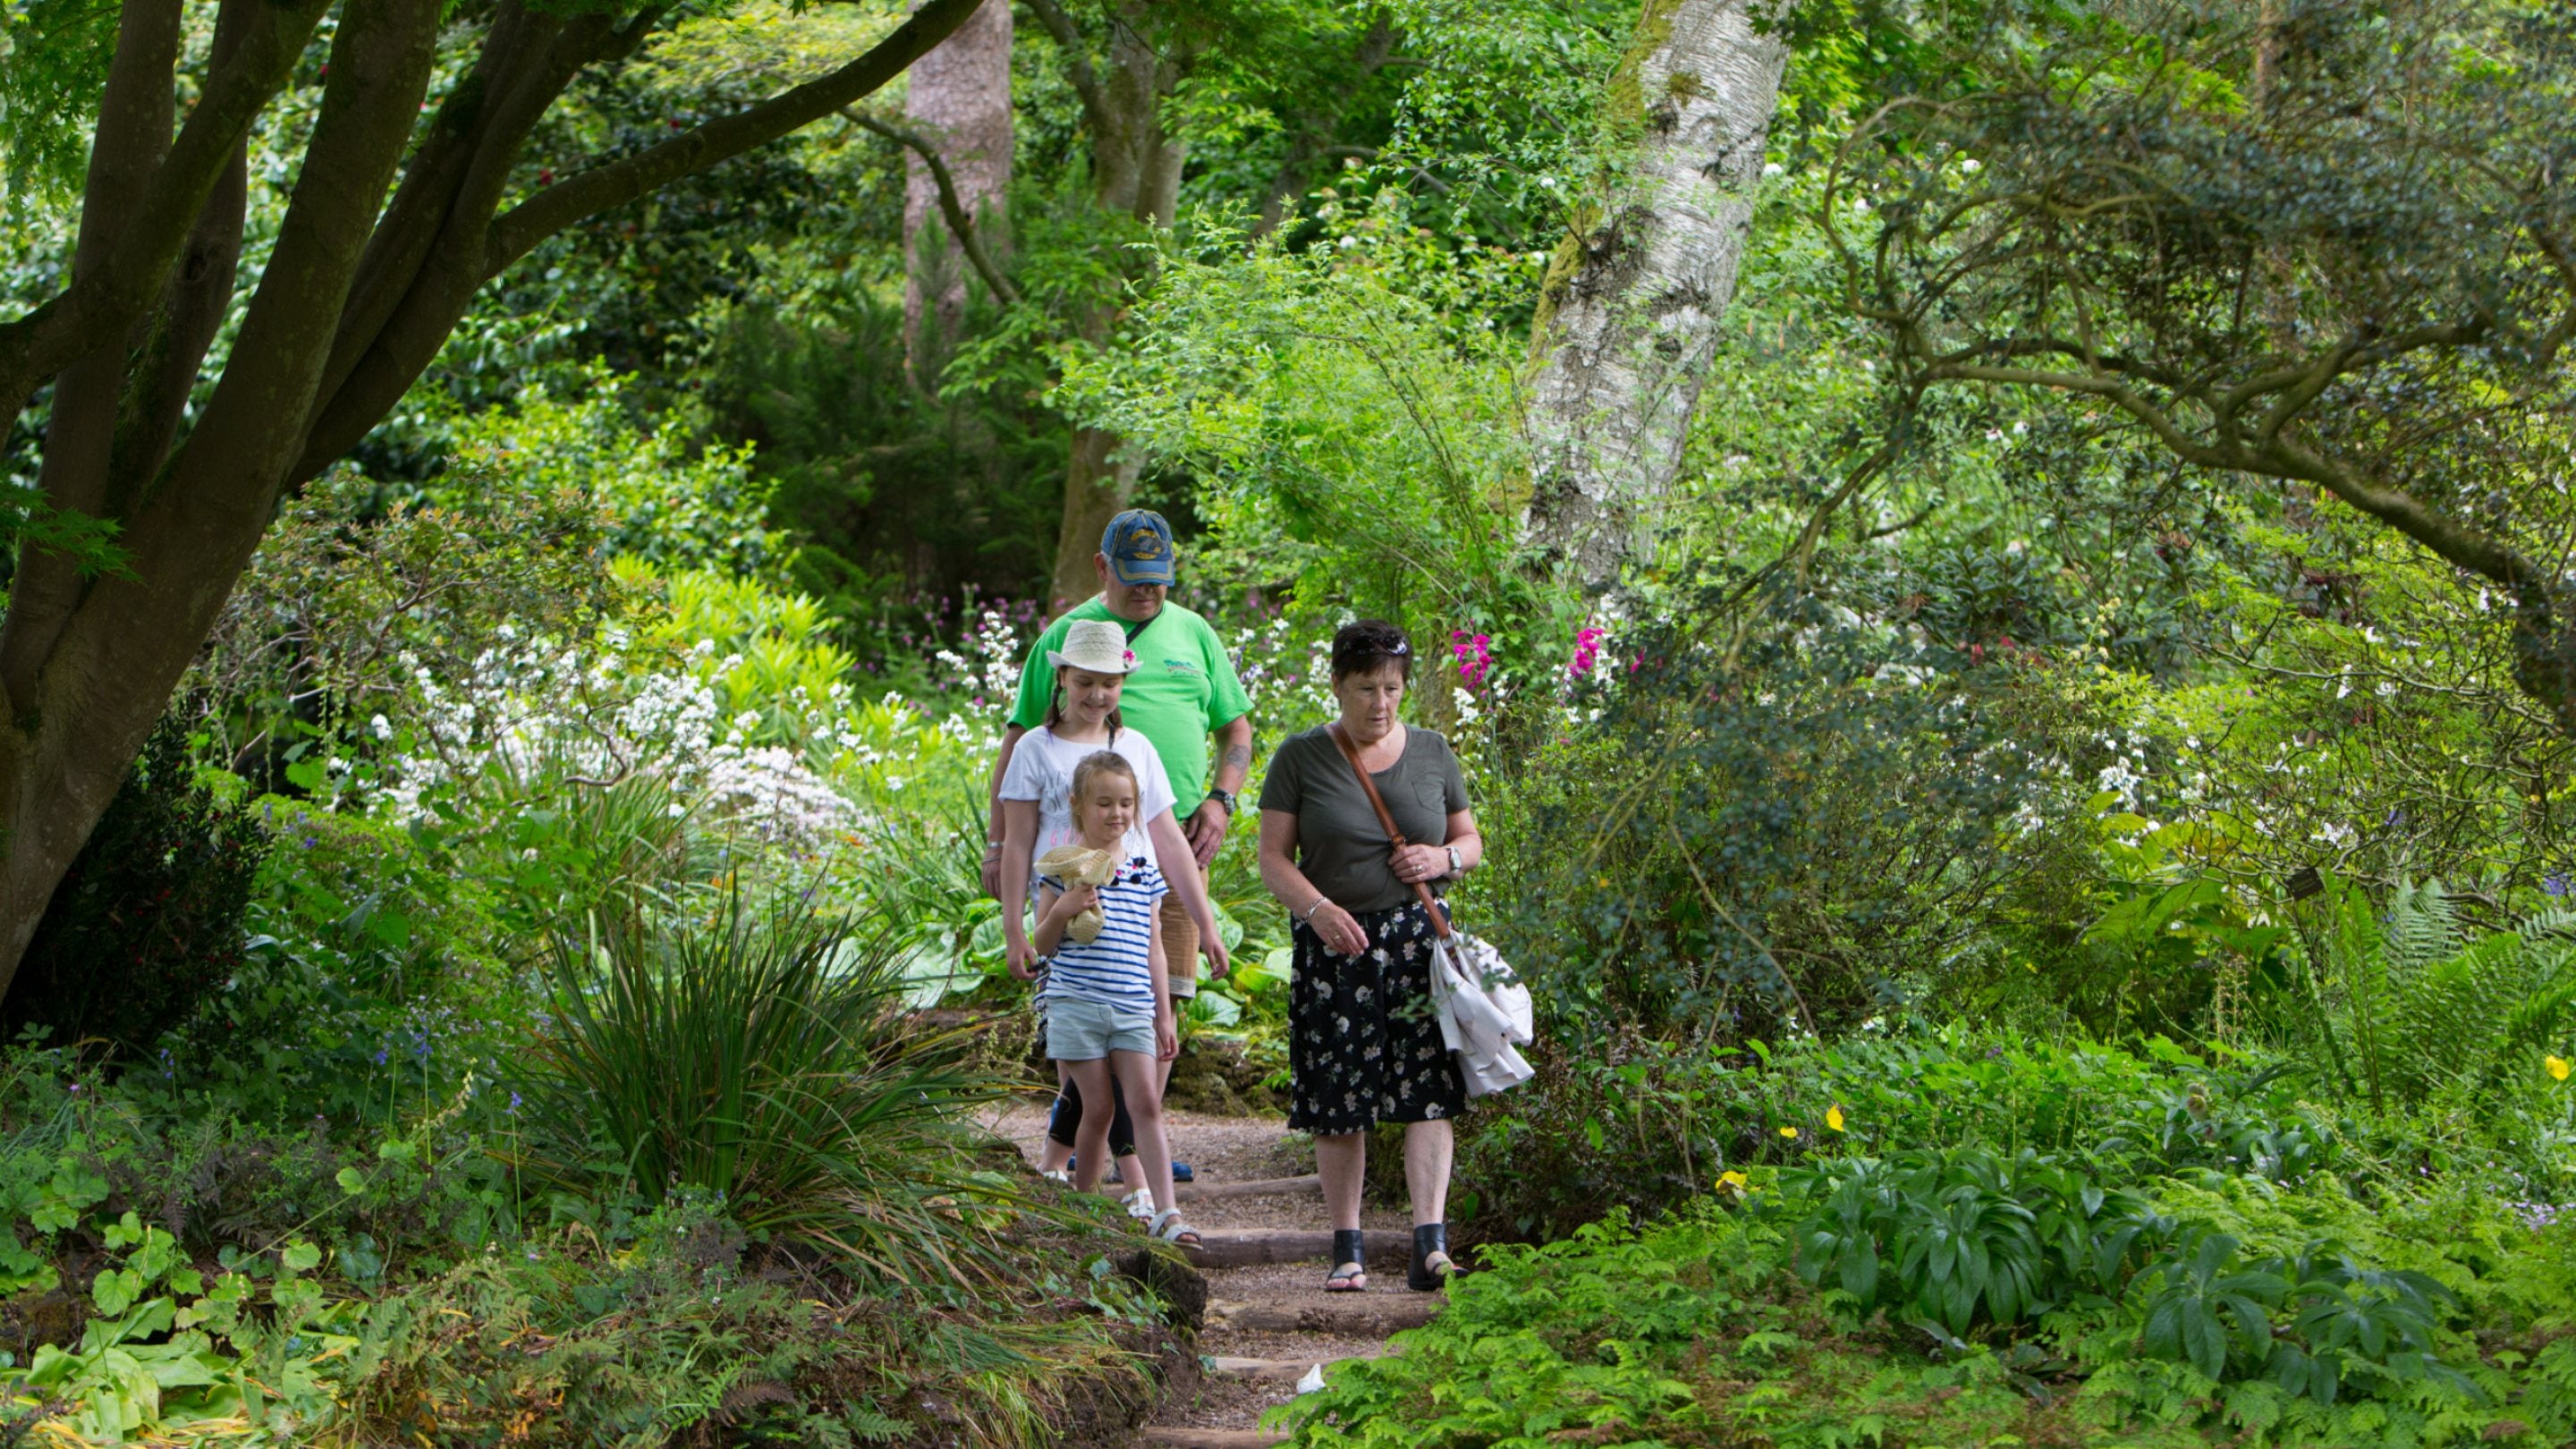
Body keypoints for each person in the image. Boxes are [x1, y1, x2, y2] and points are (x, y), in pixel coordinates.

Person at [986, 509, 1252, 1174]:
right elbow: (1018, 761)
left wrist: (1221, 805)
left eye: (1159, 581)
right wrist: (1009, 897)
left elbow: (1230, 739)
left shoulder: (1183, 655)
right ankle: (1097, 1160)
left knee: (1156, 1013)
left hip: (1157, 871)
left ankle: (1123, 1151)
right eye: (1135, 580)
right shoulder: (1064, 645)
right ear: (1103, 568)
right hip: (1068, 884)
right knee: (1082, 1024)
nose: (1149, 592)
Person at [1258, 619, 1484, 1293]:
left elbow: (1470, 840)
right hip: (1336, 947)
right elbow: (1273, 858)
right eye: (1364, 688)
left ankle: (1429, 1245)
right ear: (1336, 685)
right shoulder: (1300, 758)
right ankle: (1347, 1246)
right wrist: (1319, 910)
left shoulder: (1434, 751)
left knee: (1429, 1093)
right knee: (1339, 1096)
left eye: (1391, 688)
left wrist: (1442, 857)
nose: (1379, 703)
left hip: (1418, 942)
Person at [995, 618, 1218, 1204]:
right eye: (1086, 681)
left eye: (1110, 683)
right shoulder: (1034, 749)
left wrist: (1208, 923)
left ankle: (1121, 1178)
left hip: (1135, 906)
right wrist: (1016, 928)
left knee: (1139, 1055)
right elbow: (1019, 841)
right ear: (1062, 677)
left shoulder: (1135, 748)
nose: (1098, 694)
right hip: (1066, 913)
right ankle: (1076, 1174)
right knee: (1083, 1064)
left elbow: (1167, 838)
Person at [1030, 750, 1199, 1246]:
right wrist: (1062, 909)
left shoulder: (1144, 869)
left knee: (1145, 1101)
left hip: (1133, 1006)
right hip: (1076, 1002)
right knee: (1096, 1107)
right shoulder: (1060, 869)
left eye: (1126, 803)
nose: (1117, 814)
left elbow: (1154, 949)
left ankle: (1167, 1211)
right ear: (1077, 804)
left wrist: (1164, 1016)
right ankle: (1085, 1210)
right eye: (1104, 803)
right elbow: (1042, 944)